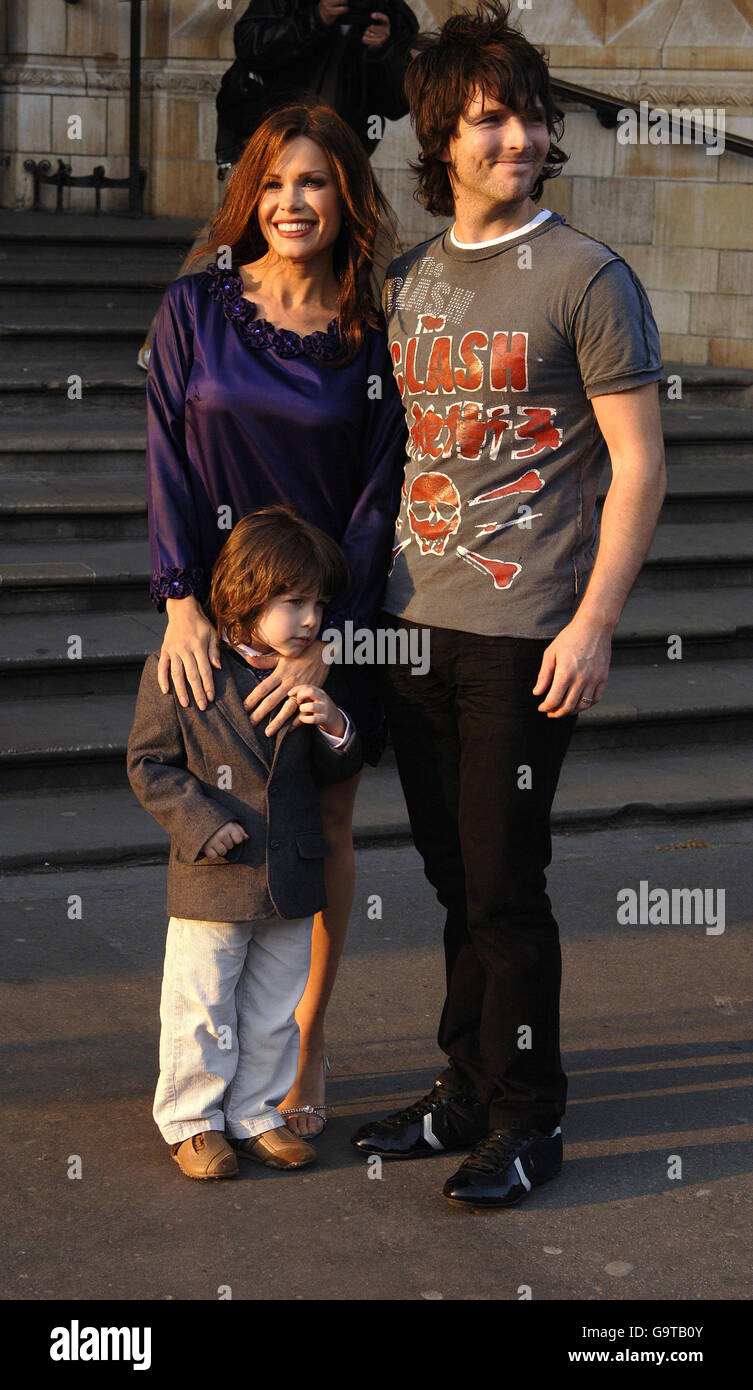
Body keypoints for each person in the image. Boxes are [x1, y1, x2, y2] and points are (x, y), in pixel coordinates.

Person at [350, 0, 667, 1209]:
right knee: (453, 880)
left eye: (530, 116)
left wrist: (593, 623)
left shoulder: (588, 275)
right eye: (491, 118)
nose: (519, 138)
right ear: (441, 137)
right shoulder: (411, 278)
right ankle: (464, 1091)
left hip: (527, 630)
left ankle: (530, 1118)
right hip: (412, 622)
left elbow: (638, 462)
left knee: (503, 885)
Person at [145, 103, 407, 1141]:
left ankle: (304, 1041)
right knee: (216, 827)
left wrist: (333, 634)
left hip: (325, 622)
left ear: (348, 197)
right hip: (214, 623)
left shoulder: (369, 329)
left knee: (322, 822)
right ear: (249, 194)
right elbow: (166, 447)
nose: (292, 202)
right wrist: (179, 602)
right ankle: (200, 1076)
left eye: (315, 183)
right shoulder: (194, 307)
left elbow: (380, 489)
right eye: (273, 182)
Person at [128, 508, 363, 1179]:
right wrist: (201, 824)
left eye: (319, 604)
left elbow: (334, 773)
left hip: (290, 875)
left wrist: (336, 727)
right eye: (295, 603)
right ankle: (194, 1121)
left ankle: (256, 1112)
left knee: (271, 1007)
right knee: (202, 1005)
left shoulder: (310, 679)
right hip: (213, 873)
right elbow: (149, 765)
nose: (313, 620)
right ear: (244, 597)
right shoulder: (180, 669)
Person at [221, 0, 419, 164]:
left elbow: (397, 105)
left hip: (342, 156)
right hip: (274, 143)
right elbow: (248, 47)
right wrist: (315, 20)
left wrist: (383, 51)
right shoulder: (289, 5)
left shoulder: (390, 14)